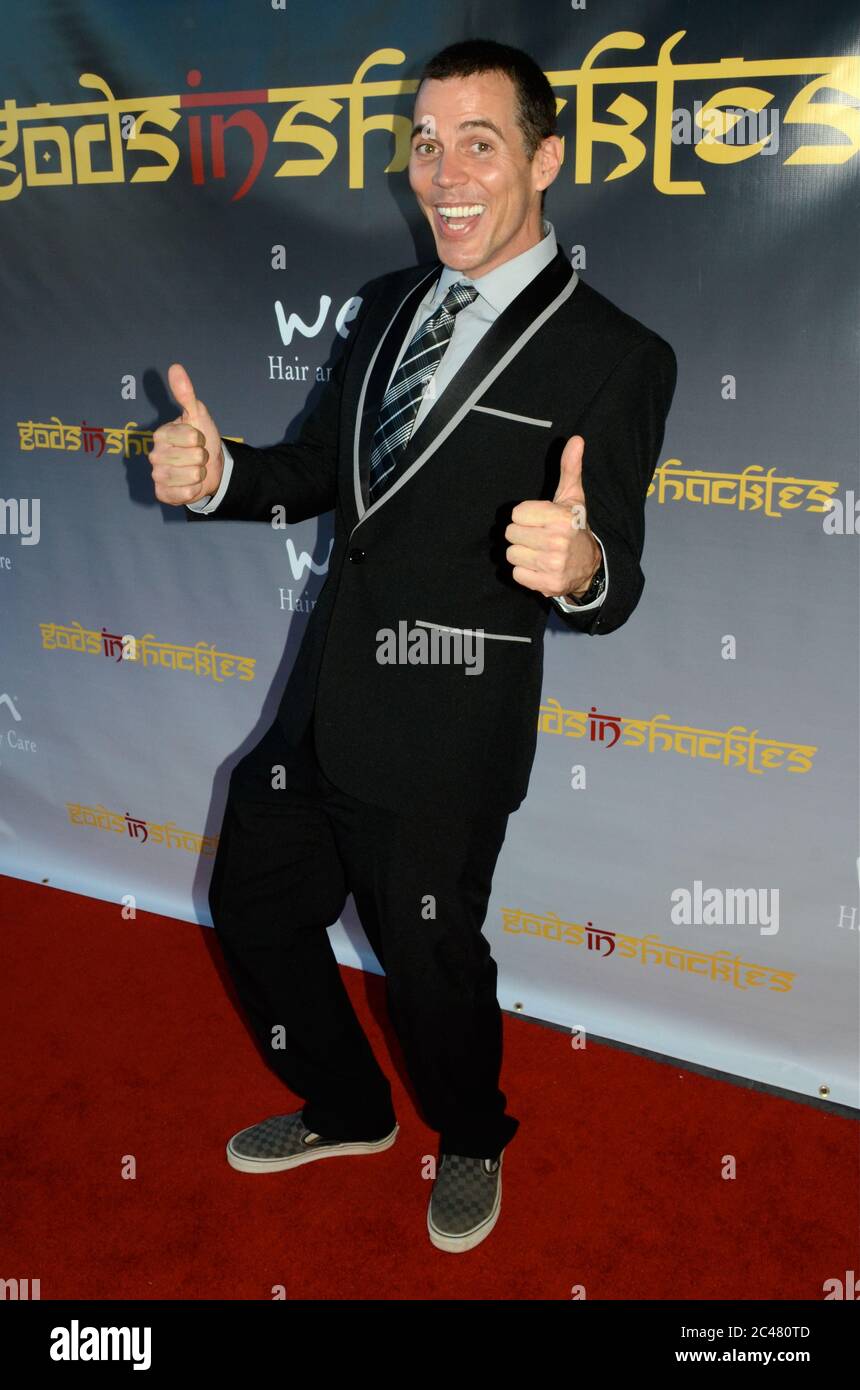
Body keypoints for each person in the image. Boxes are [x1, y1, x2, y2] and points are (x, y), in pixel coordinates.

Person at [147, 38, 677, 1254]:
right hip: (321, 703)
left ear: (545, 159)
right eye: (425, 143)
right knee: (252, 901)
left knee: (433, 969)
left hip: (446, 738)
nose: (443, 172)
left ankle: (474, 1133)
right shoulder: (389, 305)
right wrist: (221, 476)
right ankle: (346, 1105)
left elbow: (616, 577)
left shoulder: (614, 355)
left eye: (477, 143)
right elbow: (310, 476)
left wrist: (581, 565)